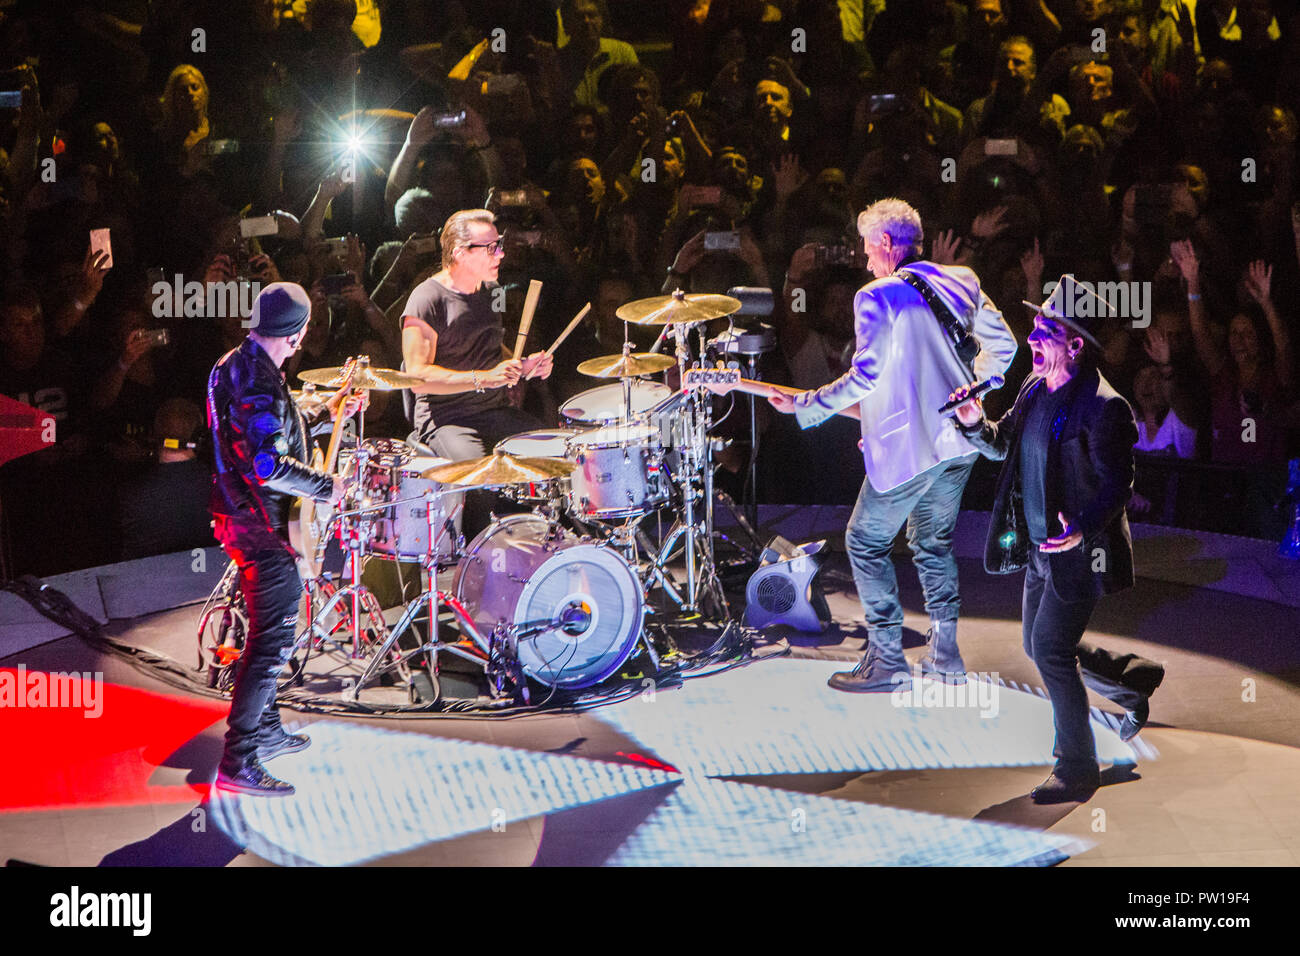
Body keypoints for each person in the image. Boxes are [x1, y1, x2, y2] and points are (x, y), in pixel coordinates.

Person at [769, 198, 1018, 690]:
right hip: (960, 443)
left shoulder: (876, 296)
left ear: (885, 244)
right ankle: (945, 656)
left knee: (864, 540)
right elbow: (1006, 348)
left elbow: (865, 377)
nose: (865, 261)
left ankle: (887, 661)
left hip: (911, 452)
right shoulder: (961, 279)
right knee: (933, 543)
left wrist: (809, 406)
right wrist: (972, 392)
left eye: (867, 249)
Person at [948, 275, 1163, 804]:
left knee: (1048, 647)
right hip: (1040, 550)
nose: (1031, 340)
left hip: (1080, 554)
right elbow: (1002, 447)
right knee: (1039, 645)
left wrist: (1082, 528)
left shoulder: (1104, 406)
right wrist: (976, 423)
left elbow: (1120, 484)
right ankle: (1131, 682)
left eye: (1043, 331)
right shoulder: (1033, 390)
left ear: (1074, 343)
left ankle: (1077, 765)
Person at [207, 282, 361, 797]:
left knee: (262, 633)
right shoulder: (261, 380)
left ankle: (265, 731)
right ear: (298, 335)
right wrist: (327, 485)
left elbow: (270, 425)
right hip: (261, 530)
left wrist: (325, 405)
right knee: (271, 643)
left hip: (238, 519)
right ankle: (239, 759)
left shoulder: (237, 361)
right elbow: (267, 462)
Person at [400, 209, 554, 530]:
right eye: (491, 248)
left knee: (553, 457)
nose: (501, 253)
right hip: (448, 418)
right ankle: (473, 562)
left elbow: (492, 348)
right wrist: (485, 378)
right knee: (479, 483)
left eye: (499, 245)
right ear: (459, 252)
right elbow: (416, 377)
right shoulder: (427, 299)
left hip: (493, 411)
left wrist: (522, 366)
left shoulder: (490, 293)